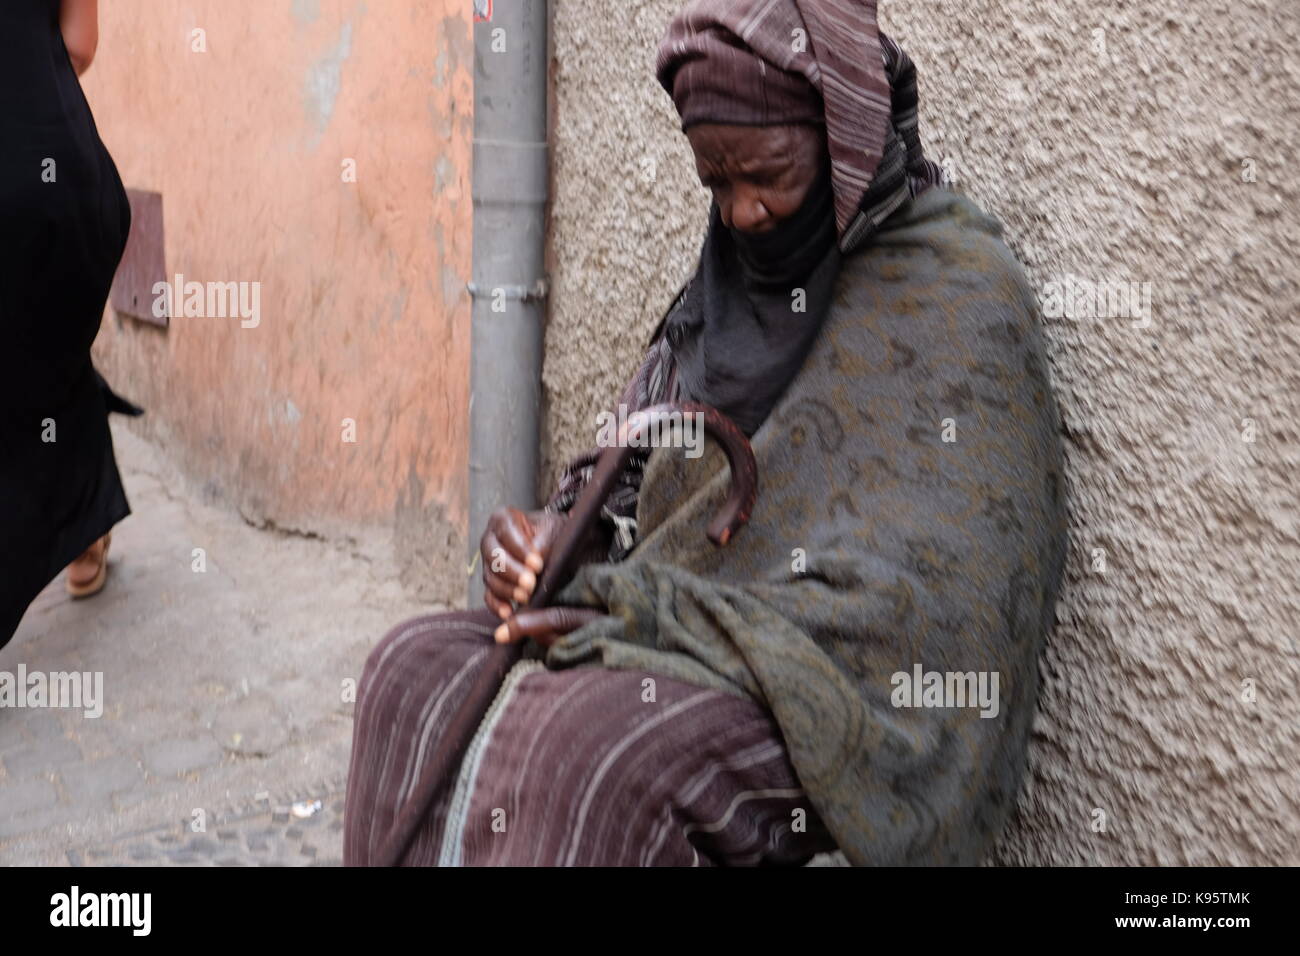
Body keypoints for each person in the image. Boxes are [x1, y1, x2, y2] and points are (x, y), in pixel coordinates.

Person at [345, 0, 1068, 866]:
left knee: (589, 752)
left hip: (836, 699)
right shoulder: (727, 286)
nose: (745, 214)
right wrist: (548, 542)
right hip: (667, 628)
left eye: (766, 174)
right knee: (411, 671)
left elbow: (951, 610)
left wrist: (664, 611)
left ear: (848, 133)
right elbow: (619, 479)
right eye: (716, 183)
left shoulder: (958, 296)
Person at [0, 0, 142, 645]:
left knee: (35, 366)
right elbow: (79, 46)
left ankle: (83, 511)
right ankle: (88, 514)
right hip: (63, 179)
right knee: (46, 357)